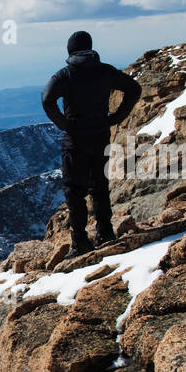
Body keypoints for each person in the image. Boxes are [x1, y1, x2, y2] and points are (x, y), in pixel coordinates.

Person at [41, 30, 141, 256]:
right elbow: (134, 89)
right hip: (100, 135)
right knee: (99, 185)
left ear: (70, 50)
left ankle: (80, 243)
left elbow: (47, 99)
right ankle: (106, 232)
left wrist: (64, 124)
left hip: (75, 139)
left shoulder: (65, 75)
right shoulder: (106, 71)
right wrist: (116, 117)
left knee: (74, 191)